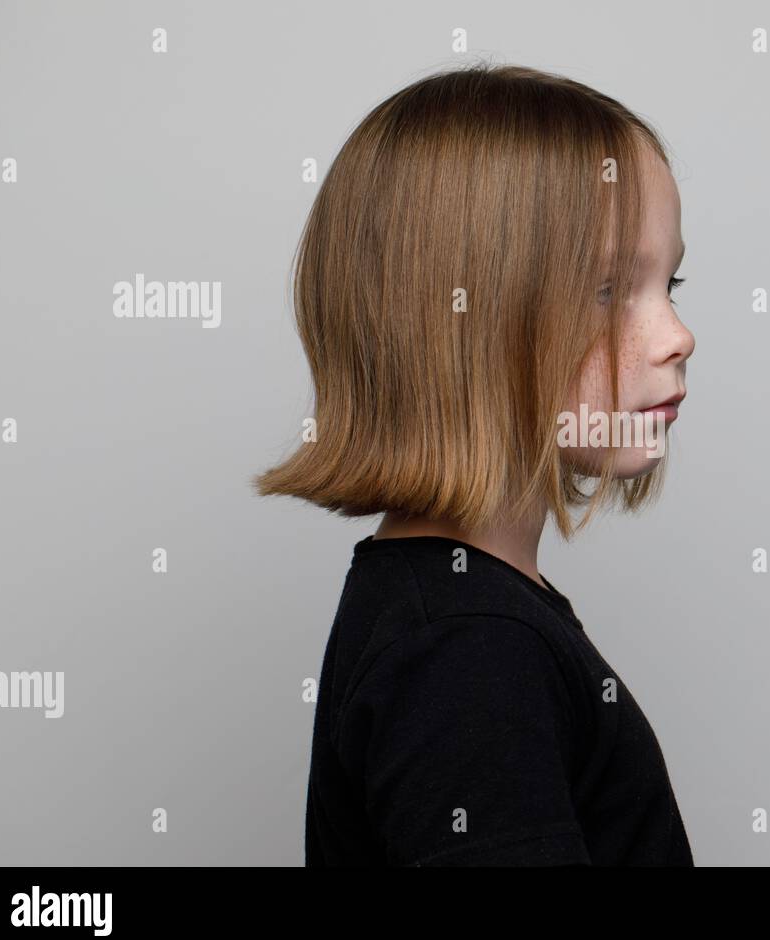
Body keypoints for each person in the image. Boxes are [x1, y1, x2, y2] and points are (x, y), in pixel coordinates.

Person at [255, 61, 696, 865]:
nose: (678, 335)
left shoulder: (460, 617)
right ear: (458, 319)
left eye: (671, 283)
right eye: (607, 290)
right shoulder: (466, 648)